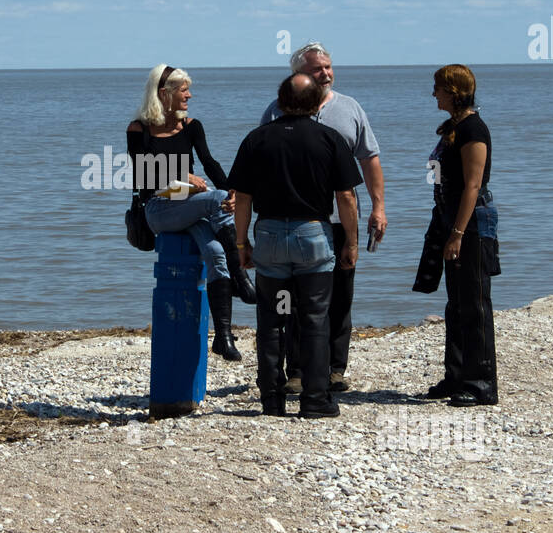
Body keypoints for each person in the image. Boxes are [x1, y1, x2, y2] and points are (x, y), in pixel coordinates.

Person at [229, 74, 361, 418]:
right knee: (315, 318)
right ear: (318, 102)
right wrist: (352, 241)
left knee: (272, 319)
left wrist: (241, 242)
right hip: (312, 233)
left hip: (270, 234)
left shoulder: (256, 139)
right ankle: (315, 399)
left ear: (281, 101)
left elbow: (242, 198)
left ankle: (272, 399)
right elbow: (346, 197)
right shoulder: (329, 138)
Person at [259, 42, 386, 394]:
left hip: (341, 218)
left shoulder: (349, 109)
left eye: (329, 67)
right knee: (298, 299)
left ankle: (335, 369)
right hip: (296, 220)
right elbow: (265, 161)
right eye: (318, 69)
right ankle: (298, 370)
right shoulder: (276, 111)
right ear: (298, 74)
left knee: (340, 296)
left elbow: (370, 159)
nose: (326, 74)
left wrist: (378, 207)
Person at [127, 64, 256, 363]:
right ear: (164, 93)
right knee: (216, 200)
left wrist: (232, 191)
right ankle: (241, 279)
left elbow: (209, 162)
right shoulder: (139, 129)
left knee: (215, 254)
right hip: (158, 207)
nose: (189, 95)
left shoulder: (192, 126)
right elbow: (143, 173)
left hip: (190, 205)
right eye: (183, 90)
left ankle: (223, 337)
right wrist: (183, 177)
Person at [412, 64, 500, 406]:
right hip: (450, 217)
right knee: (456, 303)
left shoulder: (473, 129)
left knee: (475, 303)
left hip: (472, 222)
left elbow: (473, 186)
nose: (433, 93)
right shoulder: (453, 128)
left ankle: (481, 384)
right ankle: (457, 375)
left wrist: (458, 233)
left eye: (438, 88)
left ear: (455, 91)